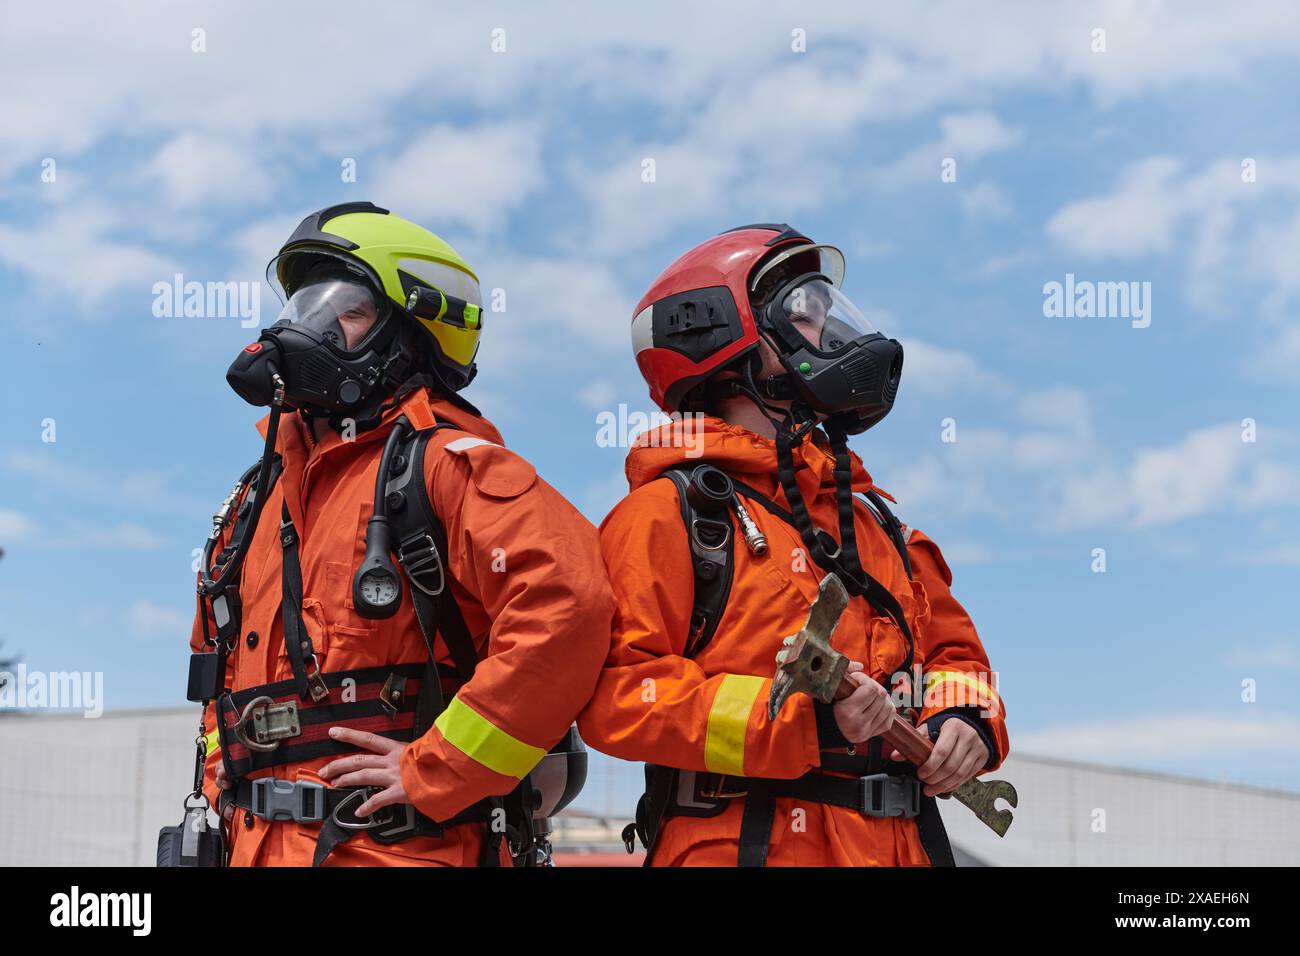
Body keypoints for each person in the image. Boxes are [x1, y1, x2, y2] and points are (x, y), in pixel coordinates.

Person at [189, 202, 612, 866]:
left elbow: (570, 608)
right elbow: (215, 674)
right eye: (304, 306)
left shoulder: (452, 469)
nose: (309, 326)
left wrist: (442, 769)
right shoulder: (252, 505)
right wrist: (223, 787)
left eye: (345, 309)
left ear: (413, 333)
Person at [577, 223, 1009, 866]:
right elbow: (618, 698)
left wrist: (965, 724)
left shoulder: (876, 526)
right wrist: (797, 720)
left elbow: (957, 660)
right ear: (724, 336)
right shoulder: (670, 517)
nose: (831, 333)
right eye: (806, 312)